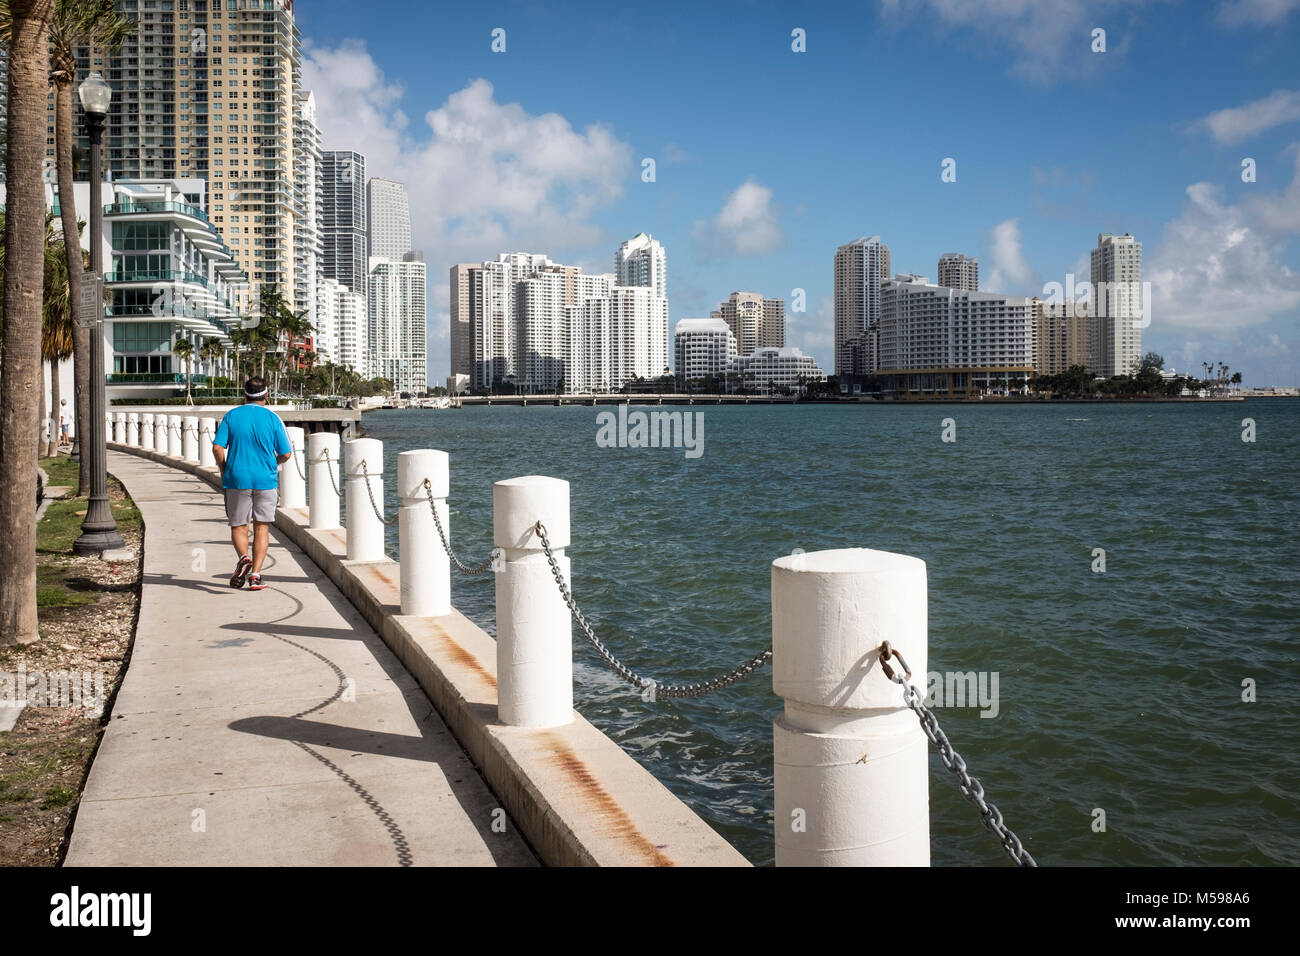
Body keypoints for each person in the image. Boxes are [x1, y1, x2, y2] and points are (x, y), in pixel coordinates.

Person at [212, 377, 292, 591]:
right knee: (262, 527)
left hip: (237, 478)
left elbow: (218, 448)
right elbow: (286, 453)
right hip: (265, 480)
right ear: (267, 395)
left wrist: (223, 469)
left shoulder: (231, 416)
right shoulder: (274, 419)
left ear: (245, 395)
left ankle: (243, 558)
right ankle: (255, 575)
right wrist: (272, 462)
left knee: (239, 525)